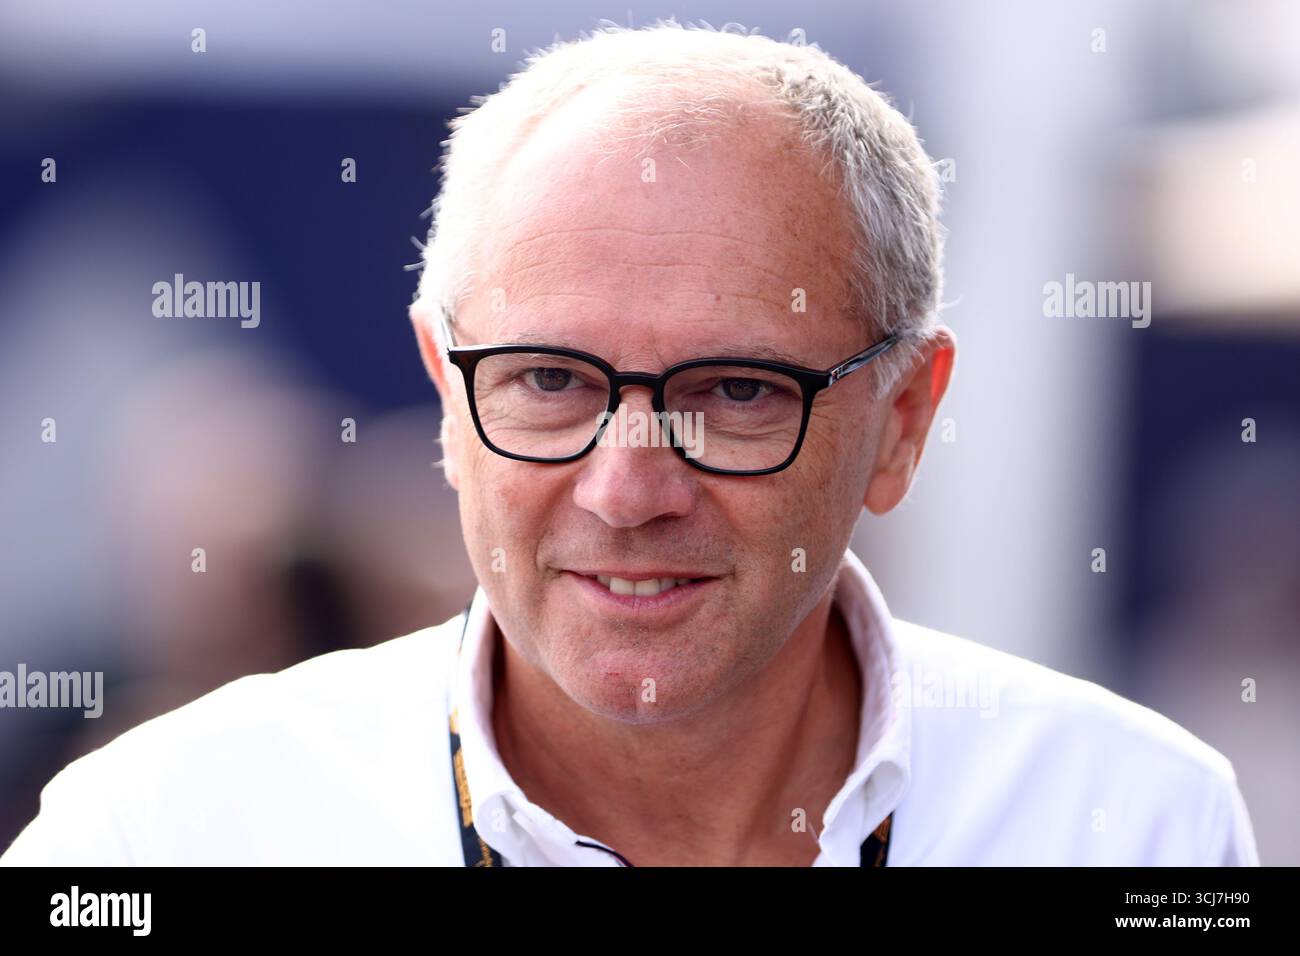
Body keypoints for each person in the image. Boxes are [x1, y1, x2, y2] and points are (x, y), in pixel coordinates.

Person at [2, 21, 1258, 866]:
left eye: (734, 391)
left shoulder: (1137, 822)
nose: (628, 485)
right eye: (549, 379)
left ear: (903, 423)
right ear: (446, 396)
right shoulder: (157, 835)